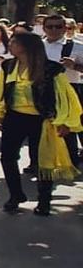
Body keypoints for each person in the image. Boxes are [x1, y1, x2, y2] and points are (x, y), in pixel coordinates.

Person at [0, 33, 81, 216]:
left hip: (41, 120)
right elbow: (1, 91)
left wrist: (65, 121)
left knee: (43, 162)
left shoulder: (50, 69)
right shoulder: (8, 66)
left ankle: (44, 201)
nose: (10, 44)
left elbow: (65, 96)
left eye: (14, 42)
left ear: (26, 46)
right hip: (15, 117)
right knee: (7, 157)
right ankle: (15, 195)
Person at [39, 13, 83, 168]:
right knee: (44, 127)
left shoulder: (76, 46)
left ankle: (72, 160)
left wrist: (75, 66)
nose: (54, 30)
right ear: (43, 28)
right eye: (49, 26)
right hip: (42, 90)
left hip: (69, 89)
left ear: (65, 28)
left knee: (69, 127)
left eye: (58, 26)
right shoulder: (37, 46)